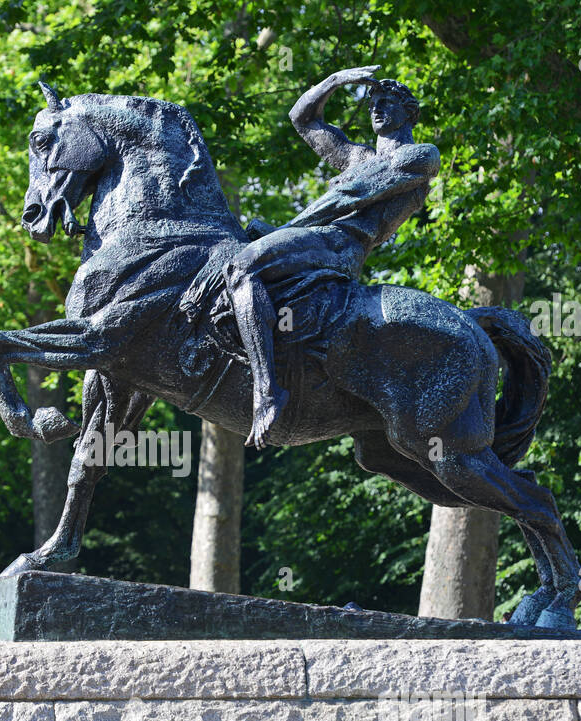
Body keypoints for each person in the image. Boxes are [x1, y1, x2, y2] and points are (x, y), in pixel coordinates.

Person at [180, 67, 439, 447]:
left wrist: (285, 231)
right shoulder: (356, 155)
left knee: (242, 265)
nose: (378, 108)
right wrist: (337, 81)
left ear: (409, 113)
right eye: (373, 102)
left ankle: (267, 392)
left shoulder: (420, 156)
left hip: (340, 247)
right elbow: (301, 118)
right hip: (314, 237)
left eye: (389, 103)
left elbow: (349, 197)